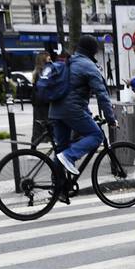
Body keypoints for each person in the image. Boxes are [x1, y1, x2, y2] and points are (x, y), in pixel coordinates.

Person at [49, 34, 116, 178]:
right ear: (92, 51)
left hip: (55, 110)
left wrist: (88, 115)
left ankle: (58, 187)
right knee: (97, 135)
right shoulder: (89, 66)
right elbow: (102, 95)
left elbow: (75, 91)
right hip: (71, 110)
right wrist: (111, 118)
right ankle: (70, 156)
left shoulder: (70, 61)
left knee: (61, 149)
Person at [30, 50, 54, 145]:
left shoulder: (37, 71)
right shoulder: (44, 72)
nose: (50, 60)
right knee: (45, 124)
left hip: (38, 102)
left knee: (39, 125)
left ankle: (35, 145)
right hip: (43, 102)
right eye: (48, 58)